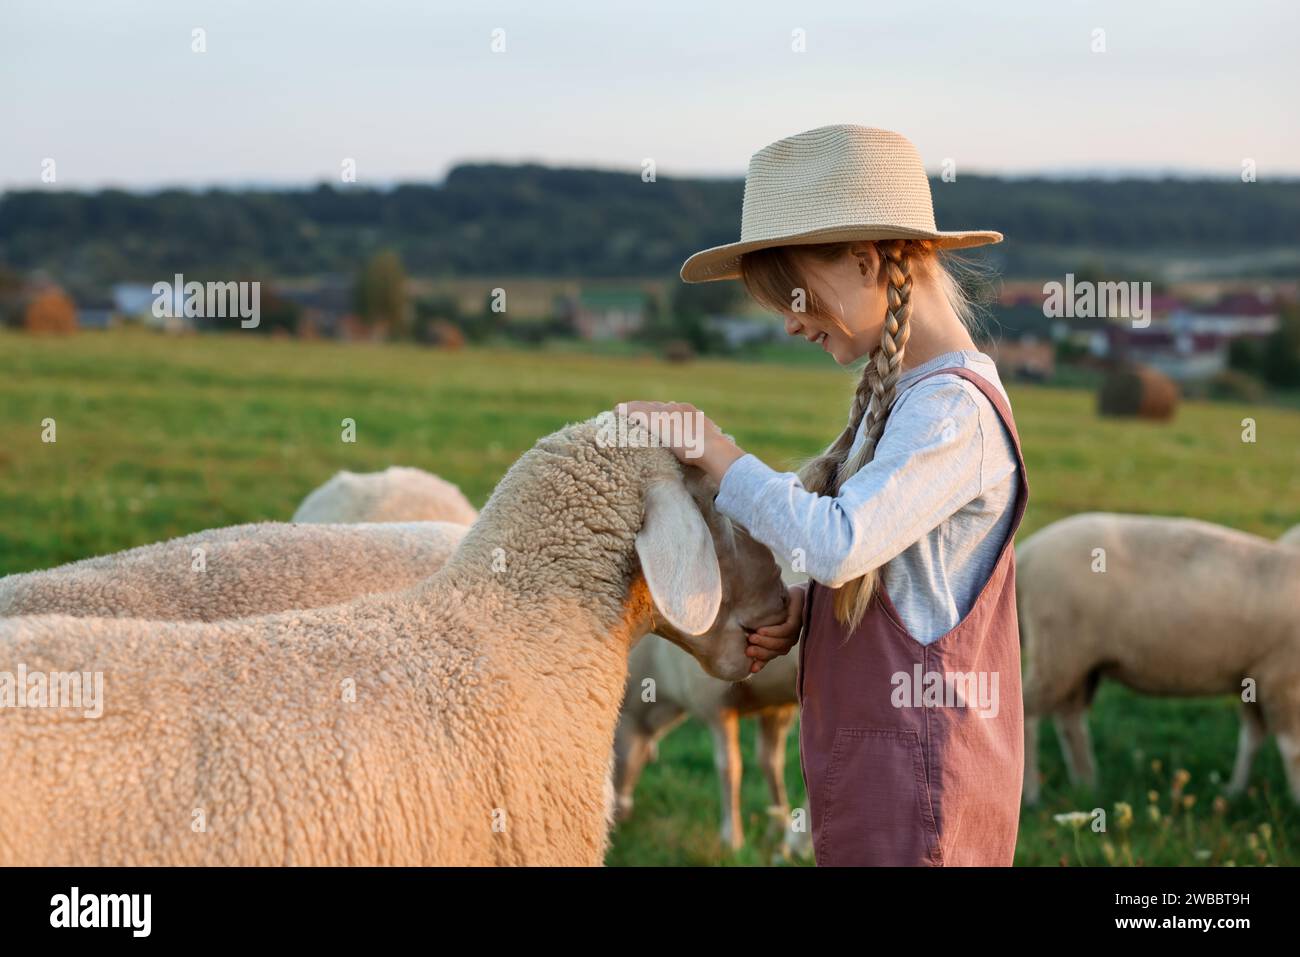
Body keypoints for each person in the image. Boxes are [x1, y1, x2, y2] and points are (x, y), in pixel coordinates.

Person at [624, 125, 1028, 866]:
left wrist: (719, 454)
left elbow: (839, 543)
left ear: (868, 260)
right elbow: (906, 570)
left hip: (925, 786)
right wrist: (813, 613)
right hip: (875, 769)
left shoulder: (954, 413)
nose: (788, 321)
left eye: (795, 294)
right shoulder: (905, 398)